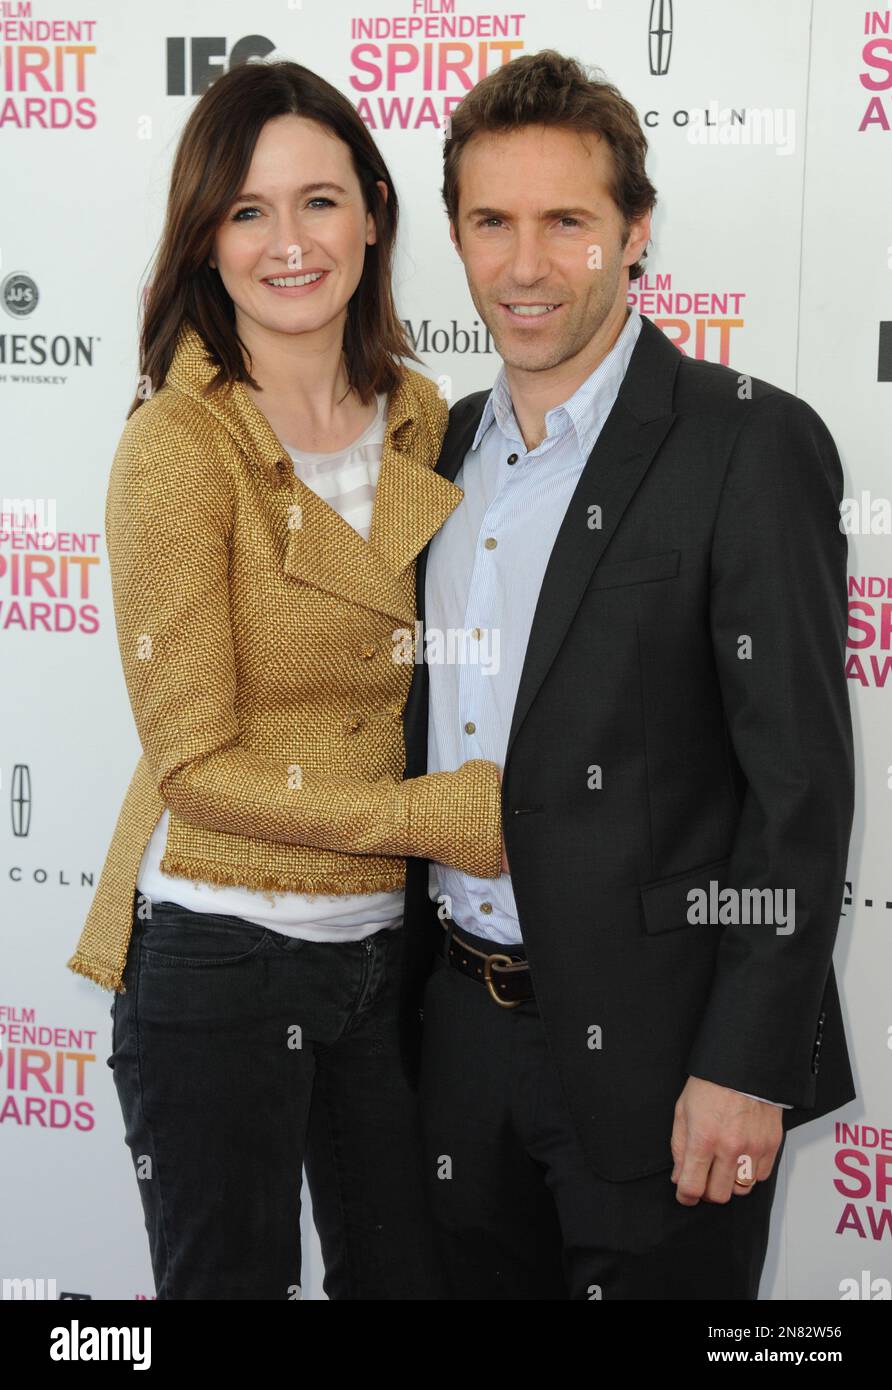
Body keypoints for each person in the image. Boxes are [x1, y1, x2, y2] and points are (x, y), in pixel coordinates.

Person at [398, 49, 856, 1300]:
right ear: (455, 234)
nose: (527, 265)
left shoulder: (748, 440)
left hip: (667, 1067)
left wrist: (749, 1063)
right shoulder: (431, 456)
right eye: (492, 221)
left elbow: (798, 792)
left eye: (568, 222)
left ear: (635, 232)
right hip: (454, 1042)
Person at [66, 59, 503, 1300]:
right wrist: (427, 820)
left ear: (374, 209)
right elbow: (196, 771)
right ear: (207, 241)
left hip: (394, 959)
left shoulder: (430, 419)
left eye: (318, 200)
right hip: (220, 954)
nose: (288, 242)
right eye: (248, 211)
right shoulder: (178, 447)